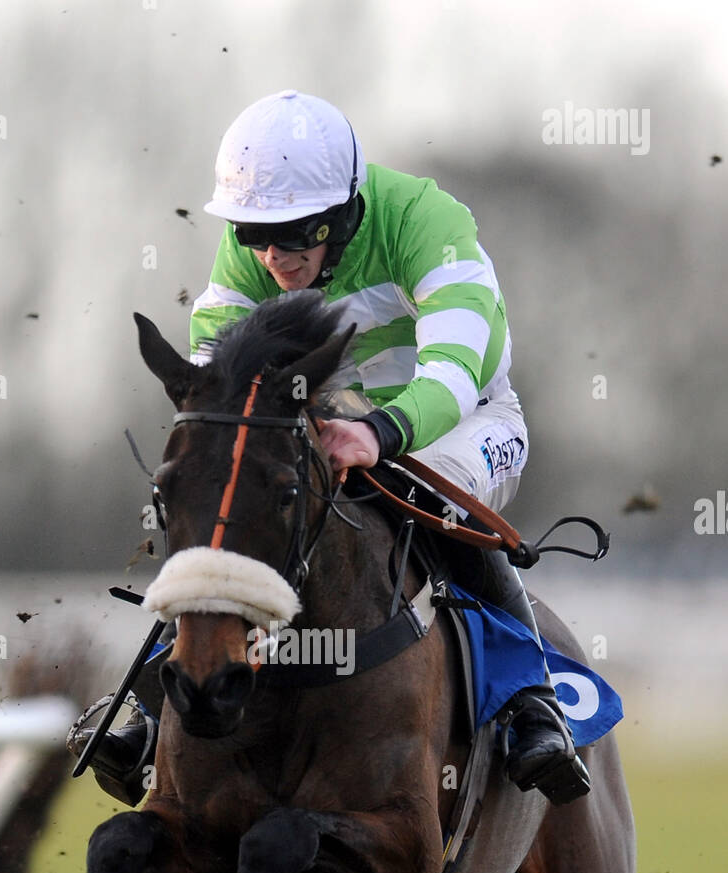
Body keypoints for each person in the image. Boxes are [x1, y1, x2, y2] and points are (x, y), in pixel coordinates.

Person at [71, 89, 589, 807]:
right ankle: (155, 699)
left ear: (343, 213)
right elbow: (219, 373)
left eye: (296, 235)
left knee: (427, 493)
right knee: (235, 499)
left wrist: (378, 433)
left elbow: (456, 369)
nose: (274, 257)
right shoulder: (253, 243)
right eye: (257, 238)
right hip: (331, 416)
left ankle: (533, 701)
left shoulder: (426, 222)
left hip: (462, 419)